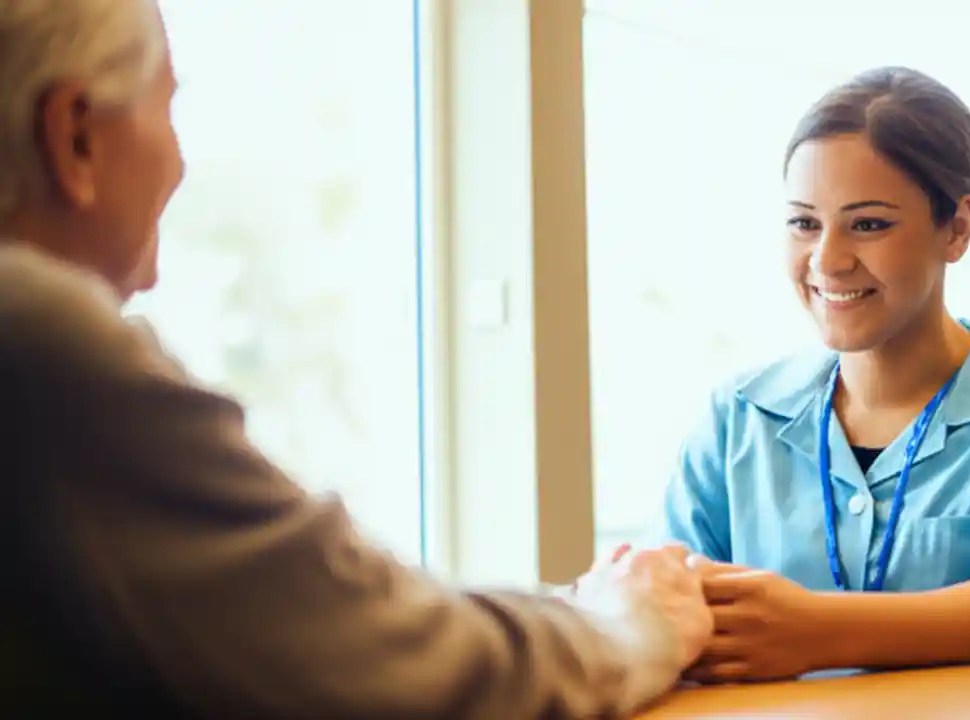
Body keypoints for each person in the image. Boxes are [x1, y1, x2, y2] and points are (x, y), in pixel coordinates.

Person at [0, 0, 711, 716]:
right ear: (74, 136)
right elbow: (374, 652)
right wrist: (632, 626)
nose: (181, 163)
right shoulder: (41, 339)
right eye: (168, 107)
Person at [654, 66, 970, 683]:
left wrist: (812, 631)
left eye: (869, 224)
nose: (828, 260)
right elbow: (670, 613)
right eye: (804, 223)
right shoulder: (735, 417)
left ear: (957, 227)